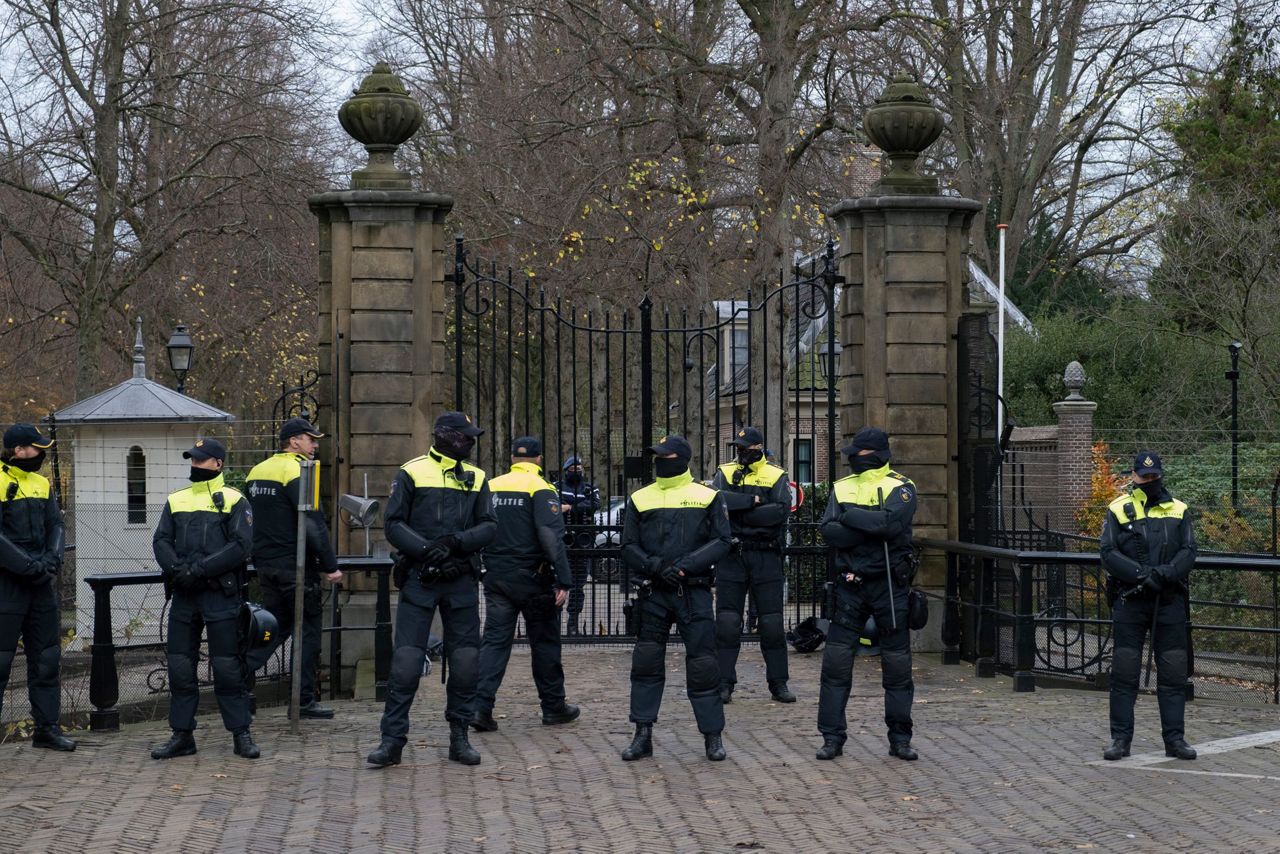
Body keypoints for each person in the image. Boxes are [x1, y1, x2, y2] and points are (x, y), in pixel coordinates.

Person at [367, 411, 496, 768]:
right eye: (465, 435)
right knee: (407, 662)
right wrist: (426, 551)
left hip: (460, 578)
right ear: (445, 435)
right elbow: (393, 524)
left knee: (466, 661)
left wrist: (455, 543)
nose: (471, 441)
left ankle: (459, 736)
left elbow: (489, 526)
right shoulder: (412, 470)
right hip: (420, 577)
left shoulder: (478, 476)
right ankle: (392, 741)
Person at [619, 434, 732, 762]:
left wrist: (683, 568)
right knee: (646, 665)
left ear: (681, 459)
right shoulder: (640, 498)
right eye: (657, 457)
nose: (659, 462)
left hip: (692, 592)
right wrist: (656, 567)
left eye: (665, 457)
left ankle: (712, 737)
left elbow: (723, 540)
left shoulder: (707, 496)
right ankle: (642, 734)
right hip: (654, 592)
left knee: (703, 665)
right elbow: (627, 546)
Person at [150, 439, 258, 760]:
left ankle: (241, 734)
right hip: (184, 595)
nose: (194, 465)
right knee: (180, 667)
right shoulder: (176, 500)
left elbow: (240, 546)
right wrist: (177, 568)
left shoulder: (236, 501)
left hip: (219, 595)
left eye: (201, 460)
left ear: (218, 464)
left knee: (227, 667)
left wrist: (198, 569)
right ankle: (182, 735)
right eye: (192, 460)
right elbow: (161, 541)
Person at [816, 426, 919, 761]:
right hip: (850, 584)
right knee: (835, 664)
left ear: (873, 455)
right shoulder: (841, 487)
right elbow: (828, 531)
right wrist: (868, 529)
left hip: (889, 586)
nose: (849, 460)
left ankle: (900, 739)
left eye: (856, 454)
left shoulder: (902, 488)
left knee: (897, 667)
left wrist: (850, 518)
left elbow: (890, 525)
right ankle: (832, 737)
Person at [471, 436, 580, 732]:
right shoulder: (541, 488)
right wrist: (564, 580)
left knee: (494, 643)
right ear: (539, 459)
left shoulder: (491, 486)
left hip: (497, 577)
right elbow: (549, 536)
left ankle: (480, 708)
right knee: (544, 644)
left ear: (511, 458)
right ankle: (553, 707)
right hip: (534, 579)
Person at [1099, 451, 1197, 762]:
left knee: (1173, 675)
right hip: (1131, 600)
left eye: (1154, 476)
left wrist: (1165, 574)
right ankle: (1120, 740)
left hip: (1169, 601)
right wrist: (1142, 575)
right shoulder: (1118, 509)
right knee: (1125, 674)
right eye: (1145, 476)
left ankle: (1175, 740)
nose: (1150, 481)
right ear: (1134, 475)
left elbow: (1189, 551)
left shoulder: (1179, 509)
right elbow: (1108, 553)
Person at [244, 417, 342, 719]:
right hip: (296, 567)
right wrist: (330, 566)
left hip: (266, 566)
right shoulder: (301, 470)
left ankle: (240, 675)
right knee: (308, 633)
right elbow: (313, 524)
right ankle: (301, 701)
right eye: (310, 439)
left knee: (275, 626)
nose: (315, 445)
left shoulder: (256, 472)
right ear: (293, 441)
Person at [0, 423, 74, 751]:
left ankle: (47, 729)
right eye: (36, 448)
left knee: (46, 658)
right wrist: (27, 566)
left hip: (41, 583)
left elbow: (55, 524)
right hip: (8, 584)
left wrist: (51, 561)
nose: (41, 453)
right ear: (18, 450)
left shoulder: (43, 483)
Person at [710, 426, 794, 704]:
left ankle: (778, 683)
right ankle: (724, 683)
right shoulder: (724, 472)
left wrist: (740, 514)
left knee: (771, 624)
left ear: (759, 447)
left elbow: (779, 513)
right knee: (727, 623)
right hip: (732, 556)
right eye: (738, 447)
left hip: (766, 555)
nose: (740, 452)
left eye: (746, 447)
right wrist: (752, 503)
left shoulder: (777, 475)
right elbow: (716, 506)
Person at [555, 455, 600, 636]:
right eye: (573, 469)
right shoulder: (557, 486)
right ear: (566, 471)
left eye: (579, 468)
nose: (577, 471)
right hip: (561, 540)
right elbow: (553, 504)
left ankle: (572, 623)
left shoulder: (590, 488)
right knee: (556, 584)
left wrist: (570, 507)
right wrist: (578, 505)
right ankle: (555, 623)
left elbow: (594, 504)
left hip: (583, 542)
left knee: (578, 585)